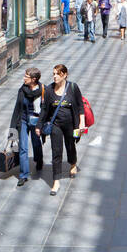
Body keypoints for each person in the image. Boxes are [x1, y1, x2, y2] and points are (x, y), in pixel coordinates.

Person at [38, 63, 84, 196]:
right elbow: (45, 109)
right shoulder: (49, 90)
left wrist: (81, 123)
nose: (55, 76)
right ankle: (56, 181)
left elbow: (80, 106)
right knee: (56, 152)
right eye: (53, 74)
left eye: (58, 74)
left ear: (65, 75)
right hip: (55, 125)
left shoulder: (73, 88)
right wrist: (39, 125)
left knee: (70, 146)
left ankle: (73, 163)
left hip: (71, 124)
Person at [9, 67, 44, 188]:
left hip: (35, 121)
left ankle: (39, 160)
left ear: (34, 79)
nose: (23, 78)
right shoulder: (22, 90)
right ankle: (23, 175)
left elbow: (46, 108)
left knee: (36, 143)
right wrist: (12, 128)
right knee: (23, 147)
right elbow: (17, 108)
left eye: (26, 76)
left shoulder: (43, 89)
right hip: (23, 120)